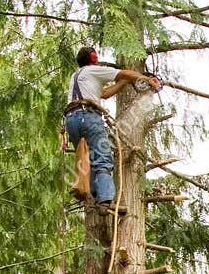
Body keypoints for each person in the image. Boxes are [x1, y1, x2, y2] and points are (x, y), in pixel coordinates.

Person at [63, 46, 160, 205]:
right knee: (102, 156)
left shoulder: (77, 76)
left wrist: (125, 82)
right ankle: (106, 199)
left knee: (88, 157)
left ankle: (95, 194)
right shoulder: (93, 70)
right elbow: (125, 73)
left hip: (71, 120)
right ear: (93, 58)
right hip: (88, 116)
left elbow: (105, 94)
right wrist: (148, 80)